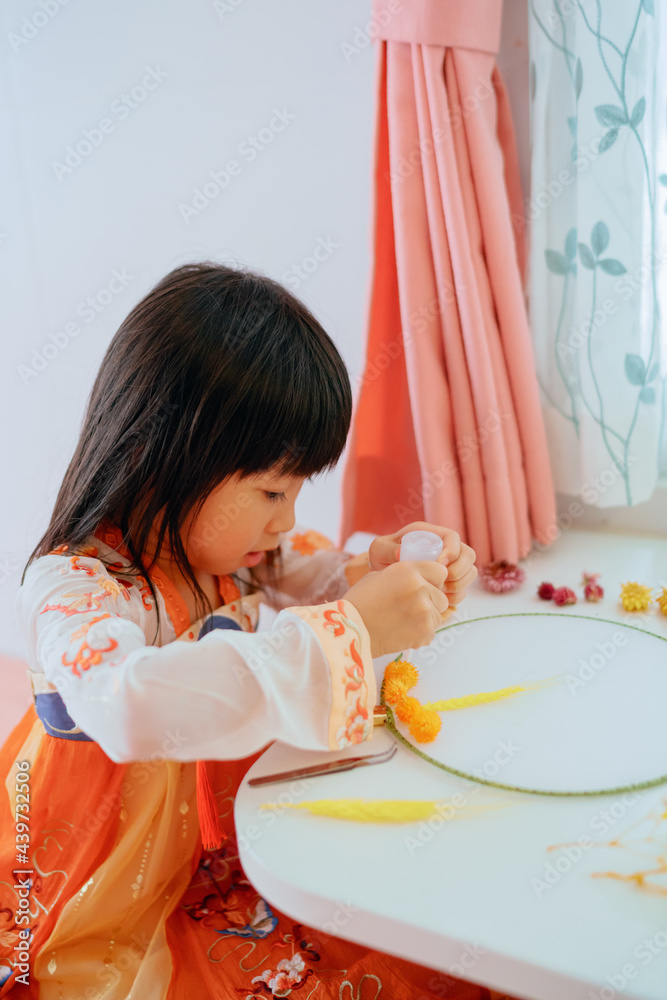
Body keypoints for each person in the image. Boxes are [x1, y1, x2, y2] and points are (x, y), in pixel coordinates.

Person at [0, 262, 488, 999]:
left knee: (421, 941)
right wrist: (351, 629)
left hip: (203, 849)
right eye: (269, 490)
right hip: (94, 876)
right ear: (159, 459)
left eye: (295, 492)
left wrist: (380, 571)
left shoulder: (233, 546)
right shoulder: (75, 587)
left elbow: (317, 580)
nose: (286, 519)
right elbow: (128, 707)